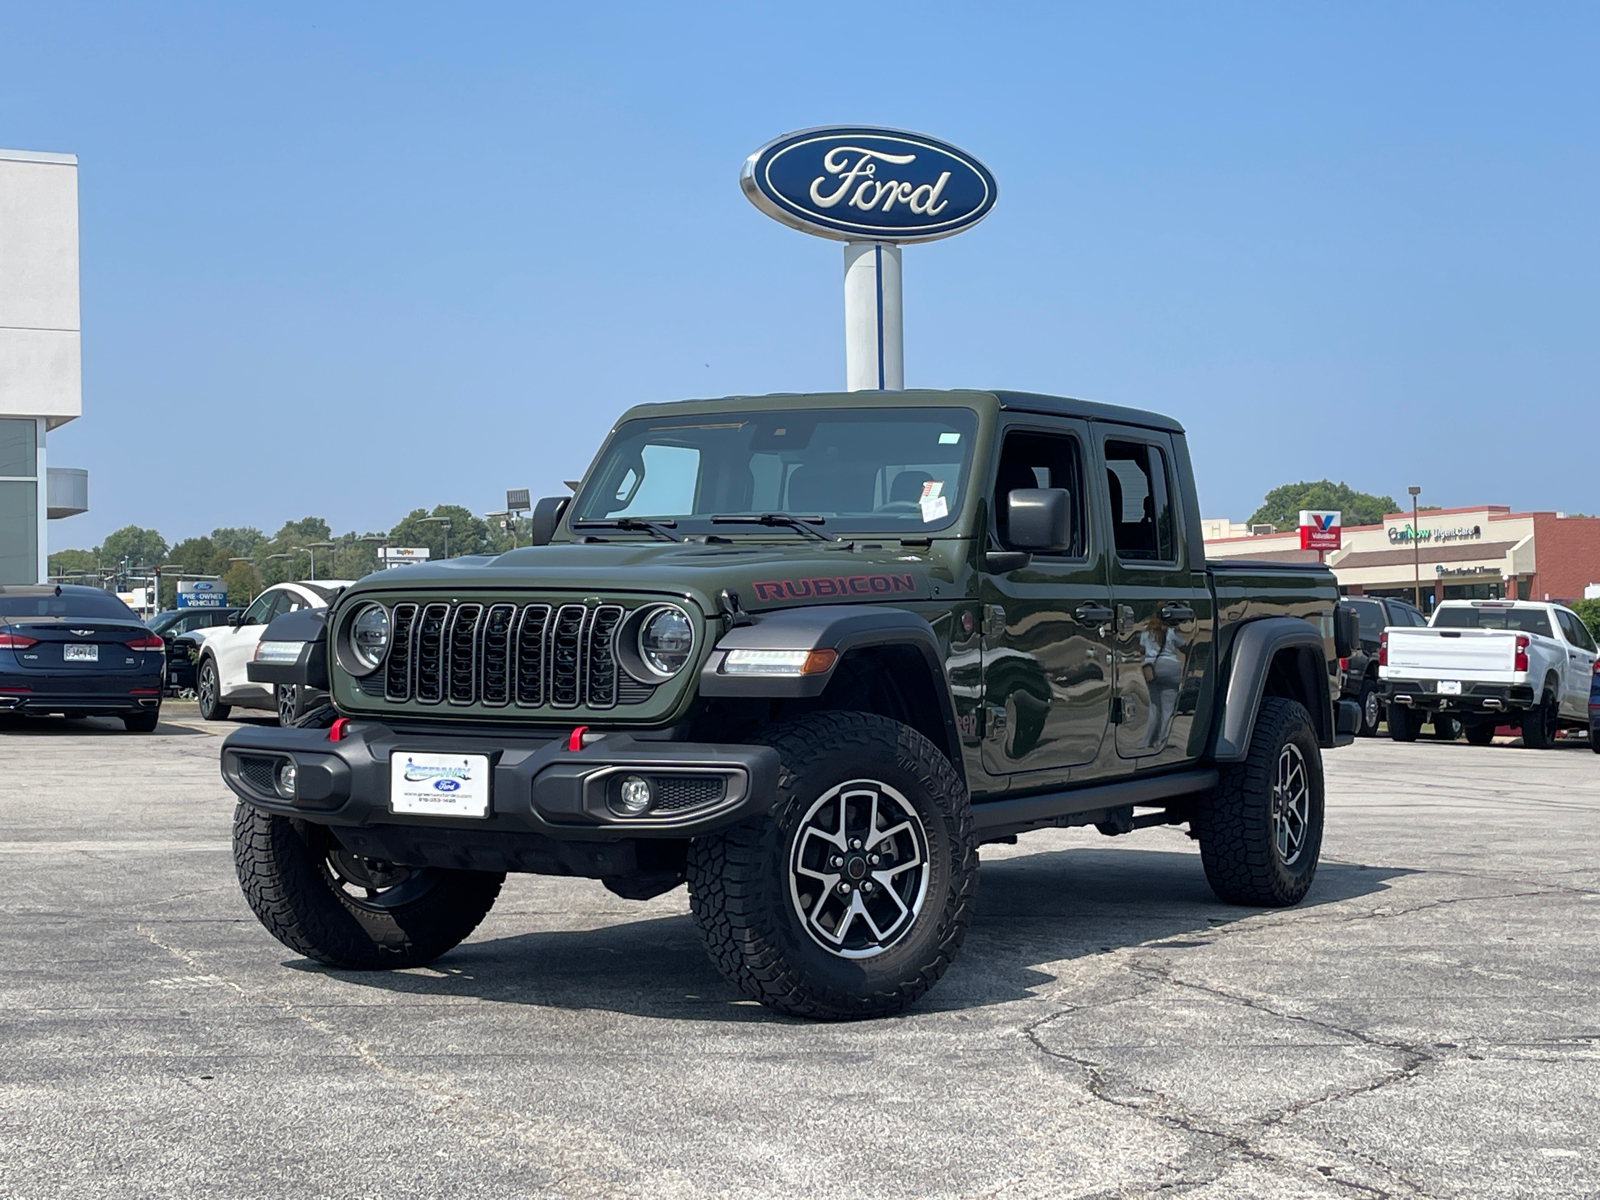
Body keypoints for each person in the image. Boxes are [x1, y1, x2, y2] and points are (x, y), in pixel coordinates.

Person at [1139, 611, 1186, 749]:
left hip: (1152, 667)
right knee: (1168, 707)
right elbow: (1183, 646)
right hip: (1170, 667)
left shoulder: (1145, 633)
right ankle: (1161, 739)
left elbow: (1142, 650)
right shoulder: (1171, 632)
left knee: (1154, 705)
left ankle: (1146, 740)